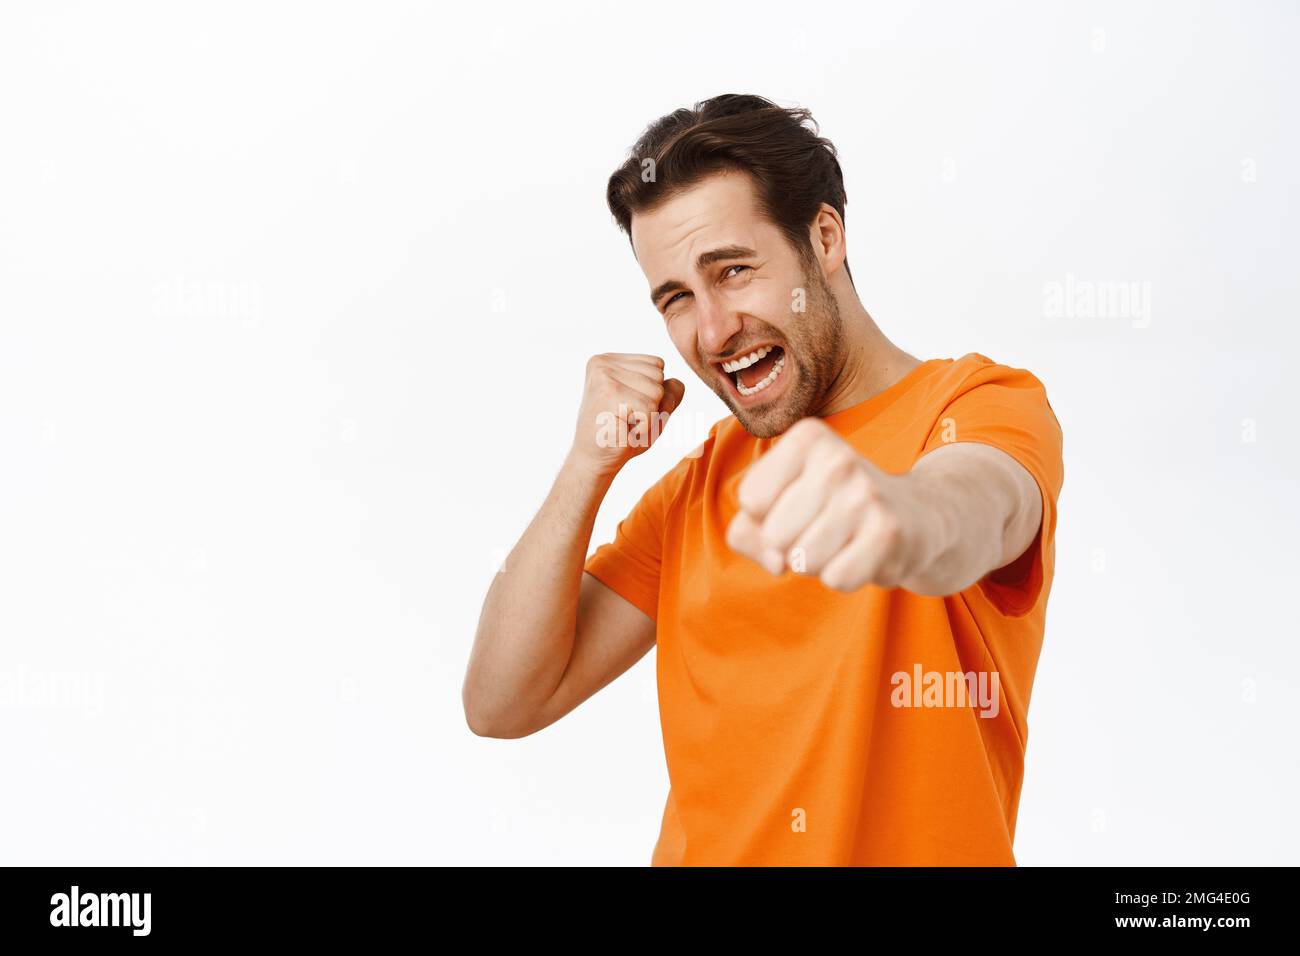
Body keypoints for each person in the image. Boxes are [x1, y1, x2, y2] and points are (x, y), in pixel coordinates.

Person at [463, 93, 1065, 866]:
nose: (712, 332)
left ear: (824, 237)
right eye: (677, 299)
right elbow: (500, 702)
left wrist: (898, 510)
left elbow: (975, 508)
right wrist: (587, 466)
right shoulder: (695, 489)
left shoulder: (978, 408)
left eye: (734, 271)